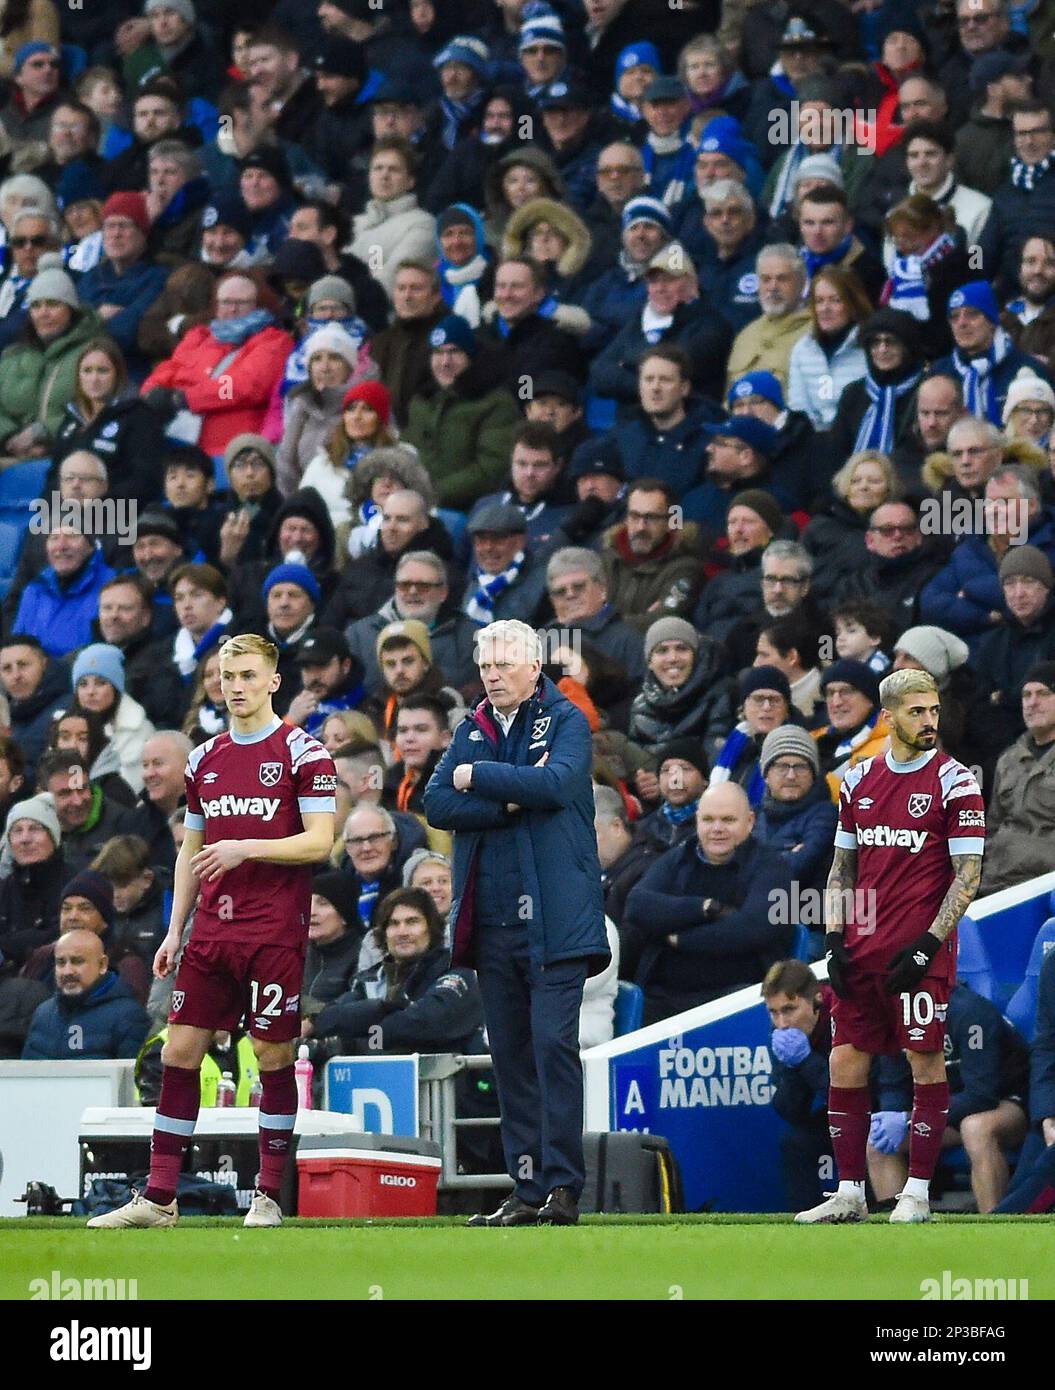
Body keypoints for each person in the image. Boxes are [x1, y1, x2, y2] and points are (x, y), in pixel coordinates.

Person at [86, 634, 337, 1230]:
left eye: (249, 675)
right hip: (209, 935)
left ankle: (269, 1194)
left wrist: (244, 847)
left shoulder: (304, 753)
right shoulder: (204, 758)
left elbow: (320, 841)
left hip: (274, 930)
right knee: (178, 1051)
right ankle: (160, 1197)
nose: (237, 686)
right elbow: (191, 852)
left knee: (274, 1056)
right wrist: (174, 929)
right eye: (228, 676)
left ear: (274, 681)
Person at [423, 619, 609, 1227]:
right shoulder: (471, 725)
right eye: (486, 666)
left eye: (505, 664)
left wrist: (477, 777)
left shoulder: (565, 720)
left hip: (557, 921)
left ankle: (563, 1188)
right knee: (509, 1056)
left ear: (535, 668)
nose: (493, 675)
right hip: (492, 923)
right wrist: (507, 801)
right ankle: (526, 1190)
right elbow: (435, 804)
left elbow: (556, 785)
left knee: (554, 1046)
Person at [796, 669, 986, 1225]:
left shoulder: (956, 783)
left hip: (920, 956)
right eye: (917, 712)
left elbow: (968, 876)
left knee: (924, 1062)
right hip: (862, 949)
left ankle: (918, 1194)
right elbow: (841, 869)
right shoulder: (857, 780)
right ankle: (851, 1191)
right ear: (889, 717)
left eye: (934, 711)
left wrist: (929, 946)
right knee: (844, 1062)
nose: (930, 721)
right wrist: (834, 939)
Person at [626, 781, 794, 1024]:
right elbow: (637, 906)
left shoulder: (773, 867)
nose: (717, 828)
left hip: (738, 997)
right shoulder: (679, 857)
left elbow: (753, 929)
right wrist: (704, 908)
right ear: (697, 820)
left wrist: (679, 938)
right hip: (663, 997)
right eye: (708, 820)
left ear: (750, 821)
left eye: (728, 820)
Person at [867, 983, 1030, 1213]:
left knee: (975, 1128)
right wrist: (892, 1118)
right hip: (945, 1111)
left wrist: (908, 1119)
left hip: (1007, 1102)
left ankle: (995, 1225)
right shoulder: (897, 1017)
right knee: (877, 1141)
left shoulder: (971, 1012)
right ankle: (900, 1234)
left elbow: (981, 1096)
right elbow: (893, 1086)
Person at [305, 887, 484, 1055]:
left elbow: (426, 1023)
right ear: (383, 932)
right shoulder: (369, 980)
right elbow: (329, 1017)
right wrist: (382, 1008)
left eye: (412, 922)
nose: (402, 932)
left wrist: (360, 1040)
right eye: (393, 924)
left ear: (431, 928)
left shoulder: (456, 969)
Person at [763, 959, 834, 1212]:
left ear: (816, 1000)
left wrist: (806, 1061)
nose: (782, 1022)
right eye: (774, 1012)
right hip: (834, 1112)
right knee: (795, 1142)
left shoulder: (844, 1015)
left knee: (861, 1135)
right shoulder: (782, 1034)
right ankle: (805, 1219)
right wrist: (793, 1067)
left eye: (789, 1009)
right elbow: (791, 1111)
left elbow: (853, 1093)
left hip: (875, 1108)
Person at [980, 663, 1055, 895]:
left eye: (1044, 694)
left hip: (1043, 884)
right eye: (1026, 695)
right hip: (996, 880)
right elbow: (992, 825)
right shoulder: (1008, 759)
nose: (1032, 702)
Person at [21, 928, 149, 1061]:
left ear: (102, 965)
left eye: (77, 961)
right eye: (60, 963)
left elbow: (133, 1078)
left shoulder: (129, 1016)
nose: (67, 971)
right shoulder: (43, 1013)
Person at [627, 617, 733, 761]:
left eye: (682, 648)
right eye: (662, 650)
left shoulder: (721, 694)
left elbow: (716, 756)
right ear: (650, 662)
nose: (672, 658)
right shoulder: (640, 706)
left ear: (695, 656)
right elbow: (637, 762)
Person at [754, 724, 838, 907]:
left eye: (800, 767)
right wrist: (783, 855)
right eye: (782, 766)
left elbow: (795, 868)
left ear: (814, 773)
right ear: (766, 774)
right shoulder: (753, 816)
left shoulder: (826, 815)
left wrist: (756, 862)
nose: (791, 775)